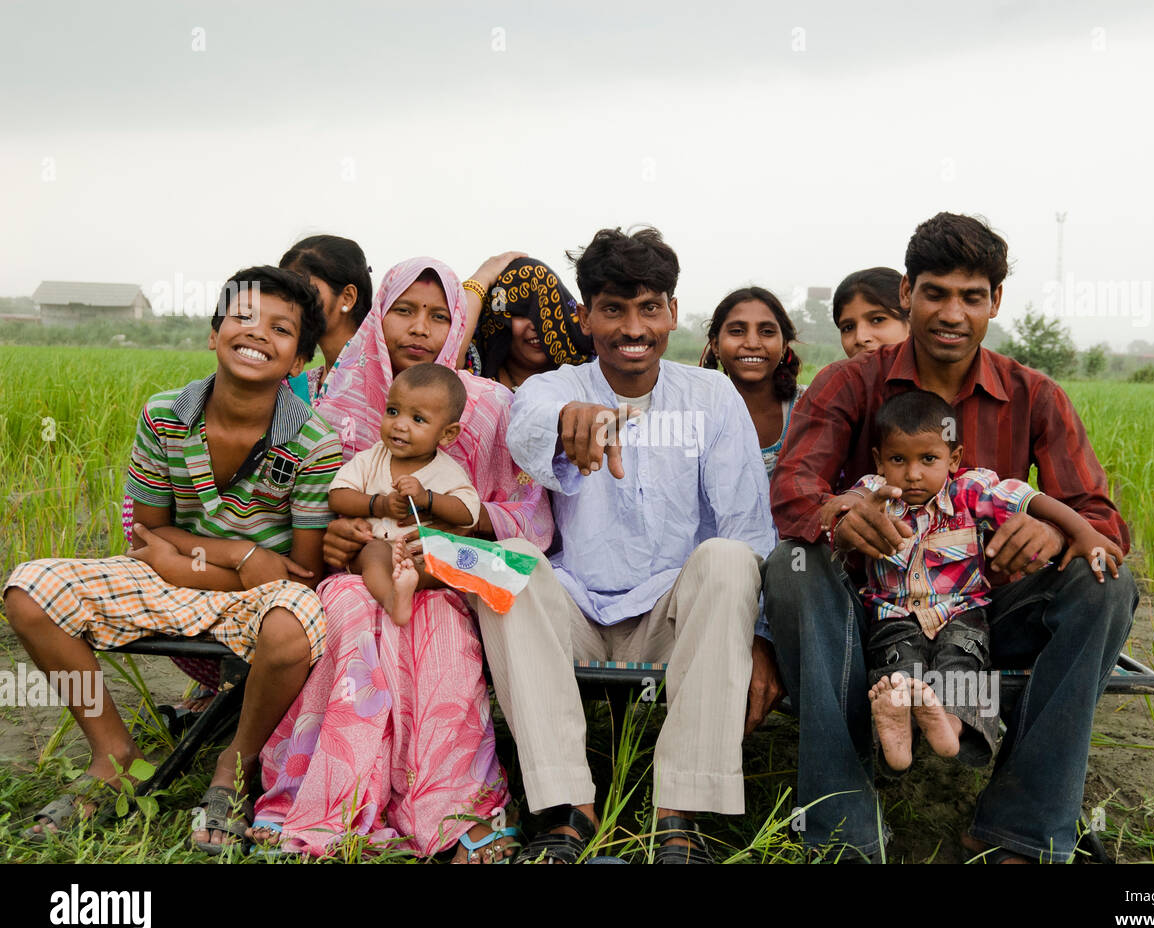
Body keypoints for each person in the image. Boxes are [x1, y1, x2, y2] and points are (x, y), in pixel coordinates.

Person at [765, 212, 1138, 863]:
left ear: (995, 301)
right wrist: (839, 510)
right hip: (871, 610)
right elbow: (794, 489)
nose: (952, 313)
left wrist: (1053, 527)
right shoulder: (849, 382)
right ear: (907, 294)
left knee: (1107, 583)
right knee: (793, 564)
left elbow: (1100, 519)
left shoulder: (1033, 394)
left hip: (984, 607)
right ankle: (841, 828)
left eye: (972, 296)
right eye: (936, 292)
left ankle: (1023, 830)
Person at [5, 266, 341, 852]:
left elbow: (303, 573)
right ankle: (114, 757)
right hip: (183, 578)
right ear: (213, 335)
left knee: (295, 626)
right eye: (242, 317)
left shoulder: (312, 440)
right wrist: (239, 554)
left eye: (280, 328)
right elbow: (147, 534)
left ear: (297, 361)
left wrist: (183, 561)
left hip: (262, 597)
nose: (257, 332)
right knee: (30, 592)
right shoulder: (165, 413)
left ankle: (234, 767)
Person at [473, 226, 777, 864]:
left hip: (672, 614)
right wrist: (568, 422)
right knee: (510, 568)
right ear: (586, 318)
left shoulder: (712, 396)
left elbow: (748, 530)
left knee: (728, 557)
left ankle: (678, 819)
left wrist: (764, 640)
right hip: (575, 611)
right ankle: (567, 812)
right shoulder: (553, 388)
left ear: (671, 313)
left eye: (648, 307)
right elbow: (526, 426)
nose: (632, 327)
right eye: (613, 308)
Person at [252, 256, 554, 864]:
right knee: (352, 614)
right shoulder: (338, 408)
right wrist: (337, 533)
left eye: (440, 316)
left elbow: (530, 514)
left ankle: (448, 809)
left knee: (440, 631)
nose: (420, 328)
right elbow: (302, 519)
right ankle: (335, 801)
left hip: (448, 577)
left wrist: (448, 522)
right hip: (354, 577)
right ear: (376, 318)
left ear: (456, 329)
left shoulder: (489, 407)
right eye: (405, 311)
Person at [821, 390, 1123, 772]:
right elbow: (853, 499)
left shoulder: (969, 491)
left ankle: (949, 724)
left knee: (961, 662)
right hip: (892, 615)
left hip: (962, 614)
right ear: (881, 461)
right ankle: (899, 738)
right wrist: (841, 504)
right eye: (899, 460)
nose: (913, 474)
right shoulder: (877, 493)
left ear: (954, 459)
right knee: (897, 667)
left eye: (928, 459)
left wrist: (1082, 531)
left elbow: (1027, 499)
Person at [327, 363, 480, 626]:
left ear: (447, 433)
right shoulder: (371, 458)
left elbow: (469, 513)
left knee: (445, 560)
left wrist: (428, 499)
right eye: (393, 411)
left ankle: (410, 583)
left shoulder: (447, 471)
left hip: (419, 558)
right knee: (375, 552)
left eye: (417, 419)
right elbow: (338, 495)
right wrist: (379, 505)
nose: (399, 425)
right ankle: (392, 599)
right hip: (374, 551)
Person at [701, 286, 805, 477]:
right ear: (715, 345)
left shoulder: (808, 406)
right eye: (737, 331)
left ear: (783, 346)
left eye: (766, 332)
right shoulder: (696, 411)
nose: (752, 343)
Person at [466, 256, 594, 388]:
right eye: (521, 314)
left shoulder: (593, 377)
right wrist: (483, 276)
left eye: (544, 311)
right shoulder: (469, 376)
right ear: (499, 321)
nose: (535, 324)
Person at [279, 235, 375, 403]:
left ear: (347, 297)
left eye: (303, 291)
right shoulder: (296, 386)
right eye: (285, 293)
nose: (289, 304)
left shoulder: (383, 382)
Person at [833, 267, 910, 358]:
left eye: (877, 320)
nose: (860, 338)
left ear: (911, 320)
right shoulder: (835, 372)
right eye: (848, 328)